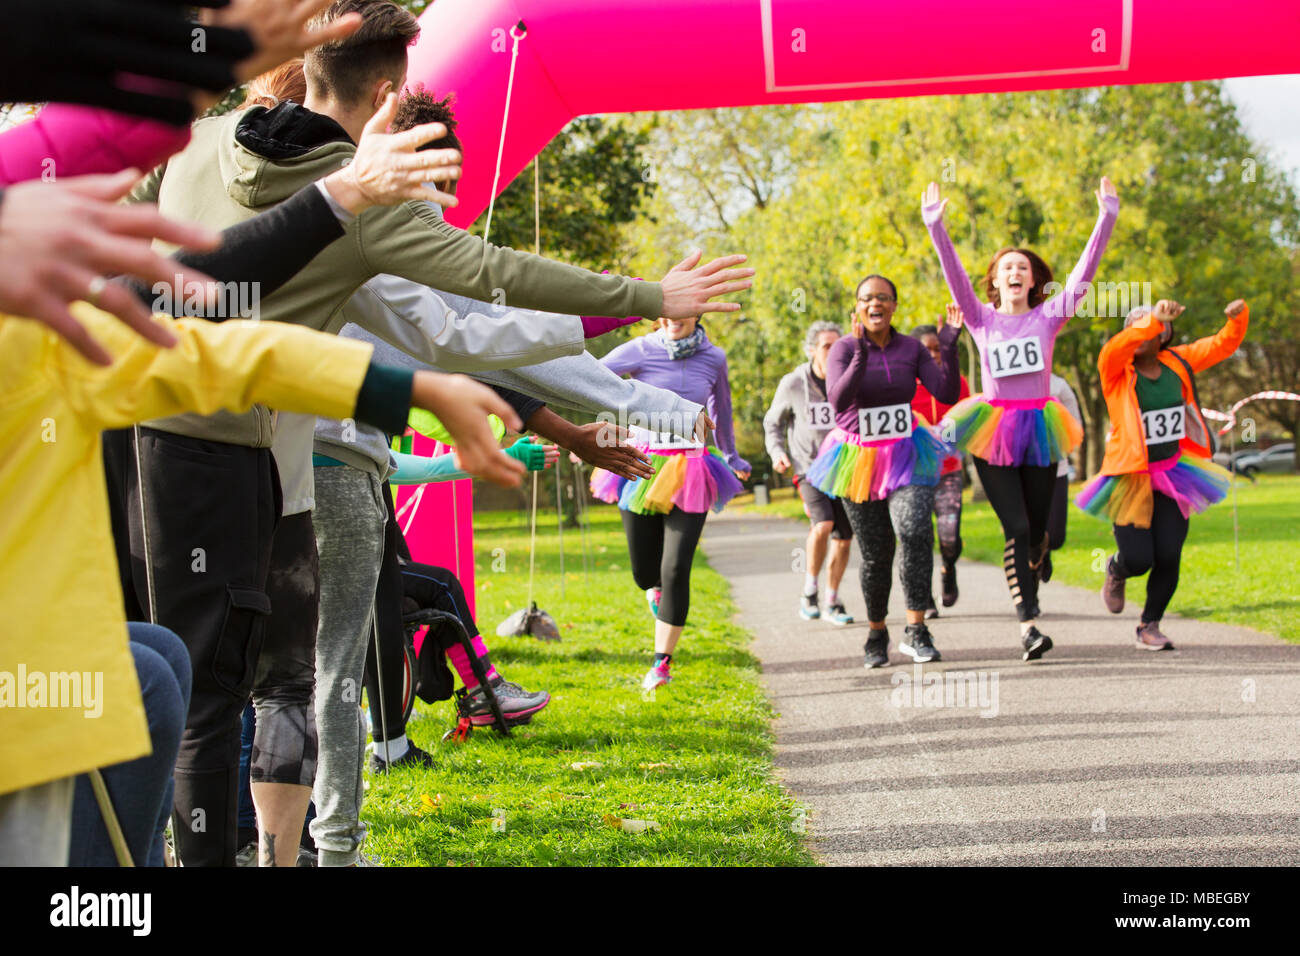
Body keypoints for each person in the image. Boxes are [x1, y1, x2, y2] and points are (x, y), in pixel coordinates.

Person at [0, 298, 519, 866]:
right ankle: (322, 848)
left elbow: (229, 348)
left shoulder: (192, 277)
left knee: (191, 673)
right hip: (268, 484)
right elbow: (446, 330)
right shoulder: (316, 255)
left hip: (219, 481)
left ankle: (247, 847)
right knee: (273, 682)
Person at [922, 177, 1118, 660]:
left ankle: (1039, 552)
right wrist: (936, 227)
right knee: (1016, 528)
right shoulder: (980, 318)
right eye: (1007, 266)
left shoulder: (1049, 316)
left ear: (1032, 280)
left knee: (1035, 529)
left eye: (1023, 267)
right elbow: (955, 279)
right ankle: (1029, 624)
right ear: (997, 278)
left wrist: (1106, 217)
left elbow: (1083, 276)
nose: (1015, 272)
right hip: (993, 431)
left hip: (1040, 430)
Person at [1076, 298, 1247, 649]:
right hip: (1129, 475)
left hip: (1174, 472)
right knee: (1140, 559)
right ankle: (1117, 568)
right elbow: (1114, 347)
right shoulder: (1115, 370)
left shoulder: (1178, 361)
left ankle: (1149, 625)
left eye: (1153, 324)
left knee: (1169, 553)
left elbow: (1221, 345)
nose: (1144, 329)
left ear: (1165, 334)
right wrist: (1150, 318)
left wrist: (1236, 319)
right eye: (1136, 324)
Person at [591, 316, 751, 690]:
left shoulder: (714, 357)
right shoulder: (641, 349)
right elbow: (591, 376)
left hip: (693, 466)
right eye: (665, 308)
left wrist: (731, 453)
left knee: (677, 567)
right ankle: (655, 590)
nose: (672, 317)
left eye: (681, 309)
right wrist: (604, 425)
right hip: (644, 464)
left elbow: (721, 407)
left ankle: (661, 663)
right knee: (646, 574)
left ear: (696, 313)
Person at [807, 276, 960, 667]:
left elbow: (945, 393)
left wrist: (949, 344)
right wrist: (859, 354)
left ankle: (917, 629)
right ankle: (877, 633)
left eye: (883, 298)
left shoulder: (910, 347)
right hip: (856, 460)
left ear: (894, 305)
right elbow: (838, 400)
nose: (875, 304)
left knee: (914, 532)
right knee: (876, 553)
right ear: (857, 308)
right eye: (866, 299)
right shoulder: (843, 348)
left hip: (906, 452)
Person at [764, 320, 854, 624]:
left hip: (846, 468)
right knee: (824, 524)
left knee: (845, 538)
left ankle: (832, 600)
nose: (834, 351)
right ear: (812, 350)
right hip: (809, 468)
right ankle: (809, 591)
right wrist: (777, 453)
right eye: (827, 346)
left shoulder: (851, 379)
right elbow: (772, 423)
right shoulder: (793, 383)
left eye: (839, 345)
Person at [910, 307, 972, 615]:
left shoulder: (957, 383)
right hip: (914, 473)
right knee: (918, 536)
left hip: (949, 470)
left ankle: (948, 568)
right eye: (927, 350)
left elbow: (970, 418)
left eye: (938, 348)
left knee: (949, 537)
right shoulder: (904, 386)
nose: (934, 355)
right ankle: (925, 599)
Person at [1040, 372, 1084, 583]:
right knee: (1025, 534)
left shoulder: (1058, 386)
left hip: (1056, 467)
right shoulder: (1008, 382)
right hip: (1019, 468)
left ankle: (1044, 551)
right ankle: (1028, 597)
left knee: (1055, 537)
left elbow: (1076, 426)